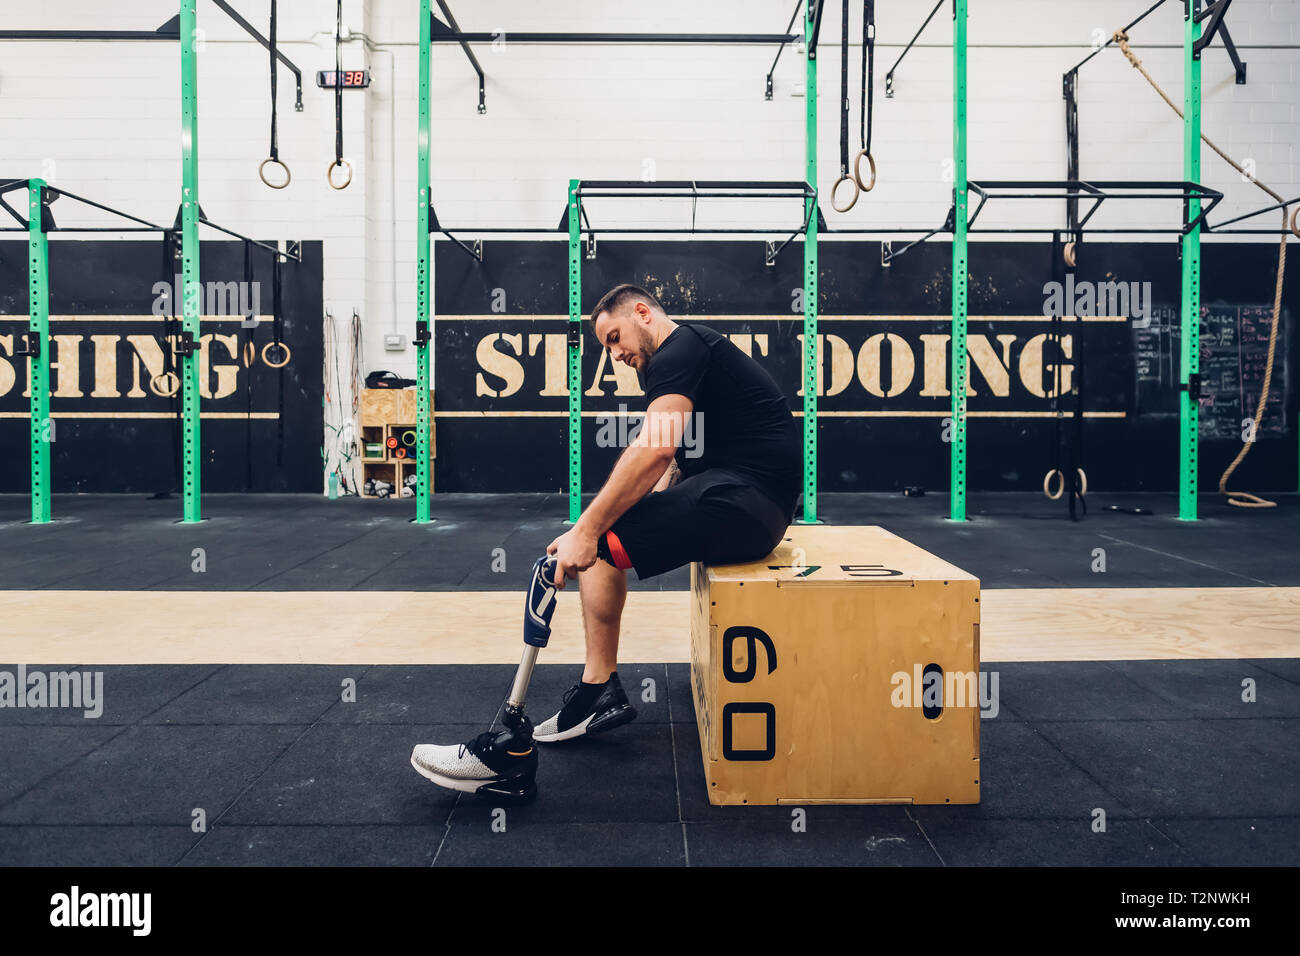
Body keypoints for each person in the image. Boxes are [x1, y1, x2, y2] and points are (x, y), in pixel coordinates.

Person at [410, 283, 800, 793]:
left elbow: (656, 449)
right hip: (751, 502)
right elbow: (675, 463)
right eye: (607, 347)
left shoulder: (677, 350)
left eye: (614, 337)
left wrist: (587, 529)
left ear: (643, 312)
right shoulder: (695, 353)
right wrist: (600, 526)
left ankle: (511, 744)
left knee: (580, 552)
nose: (615, 354)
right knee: (596, 544)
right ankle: (598, 690)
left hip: (747, 502)